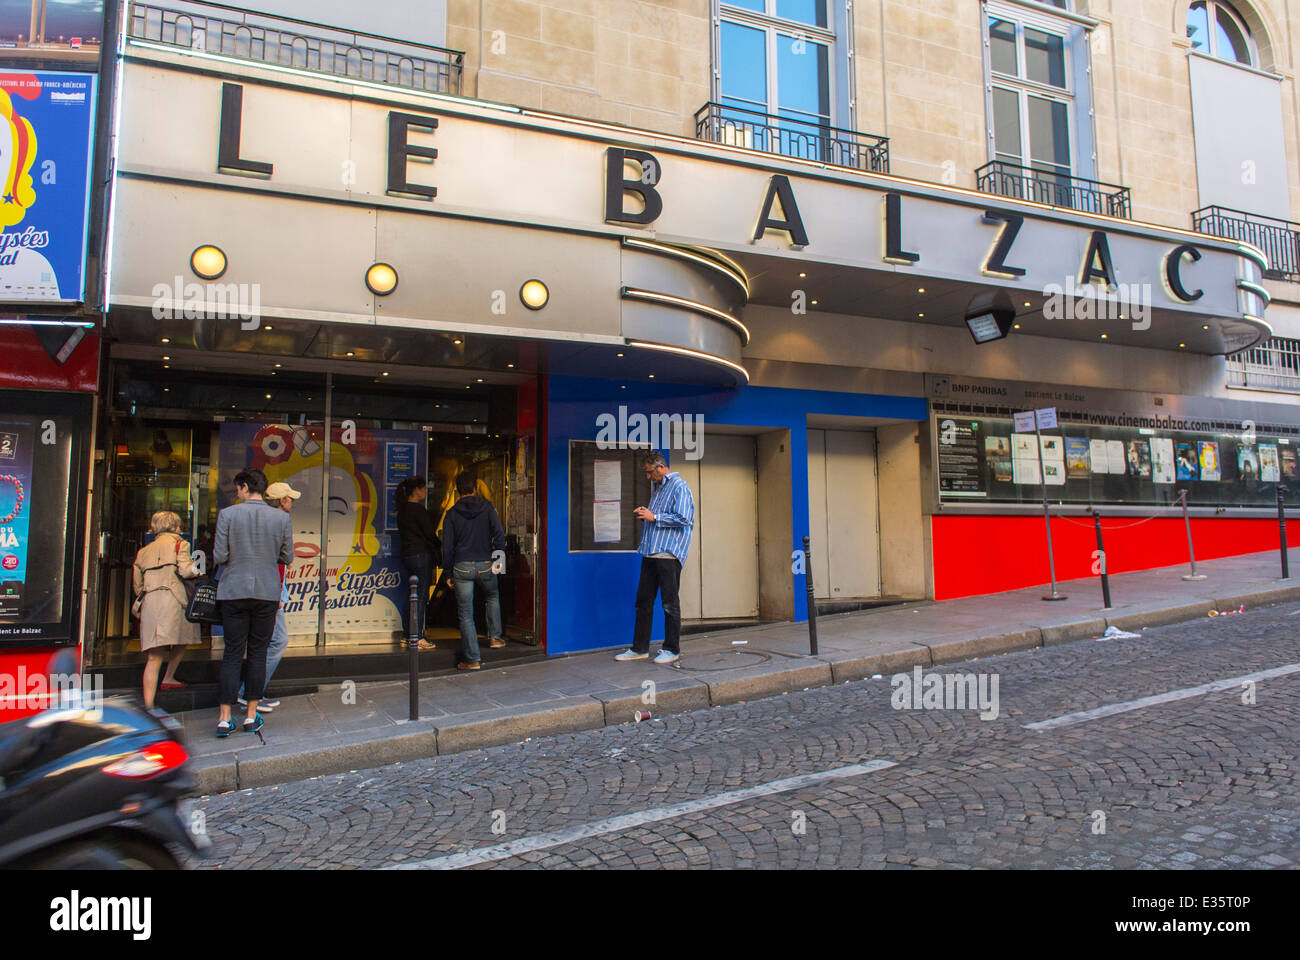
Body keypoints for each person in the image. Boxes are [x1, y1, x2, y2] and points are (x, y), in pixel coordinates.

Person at [213, 468, 292, 737]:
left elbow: (220, 555)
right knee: (258, 652)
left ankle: (224, 718)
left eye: (238, 488)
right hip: (266, 592)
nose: (237, 493)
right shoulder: (280, 518)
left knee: (232, 652)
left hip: (233, 590)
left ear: (245, 487)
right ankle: (250, 714)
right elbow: (287, 555)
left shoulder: (228, 515)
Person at [615, 451, 695, 664]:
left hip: (668, 554)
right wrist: (647, 514)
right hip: (651, 552)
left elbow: (684, 518)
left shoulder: (680, 486)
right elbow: (659, 519)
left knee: (669, 603)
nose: (648, 477)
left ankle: (672, 649)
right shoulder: (659, 489)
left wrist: (655, 516)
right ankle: (639, 648)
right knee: (643, 601)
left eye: (650, 473)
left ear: (661, 468)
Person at [236, 480, 299, 712]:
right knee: (276, 640)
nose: (292, 502)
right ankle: (249, 692)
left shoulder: (257, 519)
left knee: (264, 640)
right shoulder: (279, 521)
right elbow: (286, 556)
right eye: (290, 498)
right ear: (282, 501)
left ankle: (250, 692)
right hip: (271, 585)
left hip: (259, 584)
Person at [132, 511, 199, 709]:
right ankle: (169, 676)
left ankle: (148, 705)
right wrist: (198, 571)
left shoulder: (143, 551)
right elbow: (186, 570)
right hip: (174, 600)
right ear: (175, 527)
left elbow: (137, 585)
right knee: (183, 638)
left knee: (154, 656)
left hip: (151, 601)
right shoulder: (180, 545)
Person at [442, 472, 506, 670]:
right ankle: (495, 637)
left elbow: (447, 547)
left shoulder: (451, 514)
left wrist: (447, 573)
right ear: (475, 489)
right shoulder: (487, 508)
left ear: (458, 490)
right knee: (492, 596)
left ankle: (472, 659)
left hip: (461, 566)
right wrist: (498, 560)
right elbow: (499, 534)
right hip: (486, 563)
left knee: (466, 613)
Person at [396, 476, 440, 650]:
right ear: (416, 490)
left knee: (411, 594)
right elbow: (429, 534)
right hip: (421, 555)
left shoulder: (402, 510)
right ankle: (418, 637)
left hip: (407, 555)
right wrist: (439, 545)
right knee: (420, 595)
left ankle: (408, 634)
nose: (425, 492)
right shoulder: (418, 510)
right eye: (423, 489)